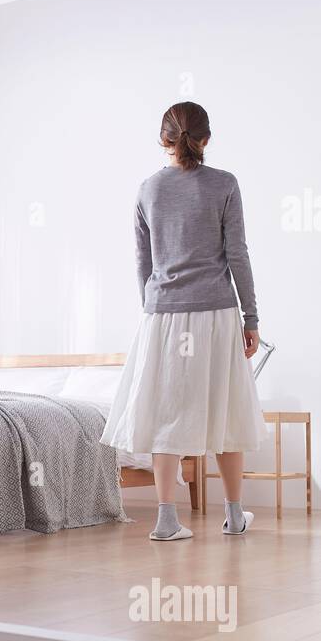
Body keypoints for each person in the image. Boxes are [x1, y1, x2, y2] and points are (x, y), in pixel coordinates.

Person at [101, 101, 266, 541]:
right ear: (206, 139)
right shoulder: (224, 184)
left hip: (163, 315)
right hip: (216, 312)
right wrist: (251, 317)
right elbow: (238, 254)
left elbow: (143, 262)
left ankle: (166, 519)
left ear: (164, 139)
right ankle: (233, 515)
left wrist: (154, 306)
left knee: (166, 412)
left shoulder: (147, 189)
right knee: (227, 408)